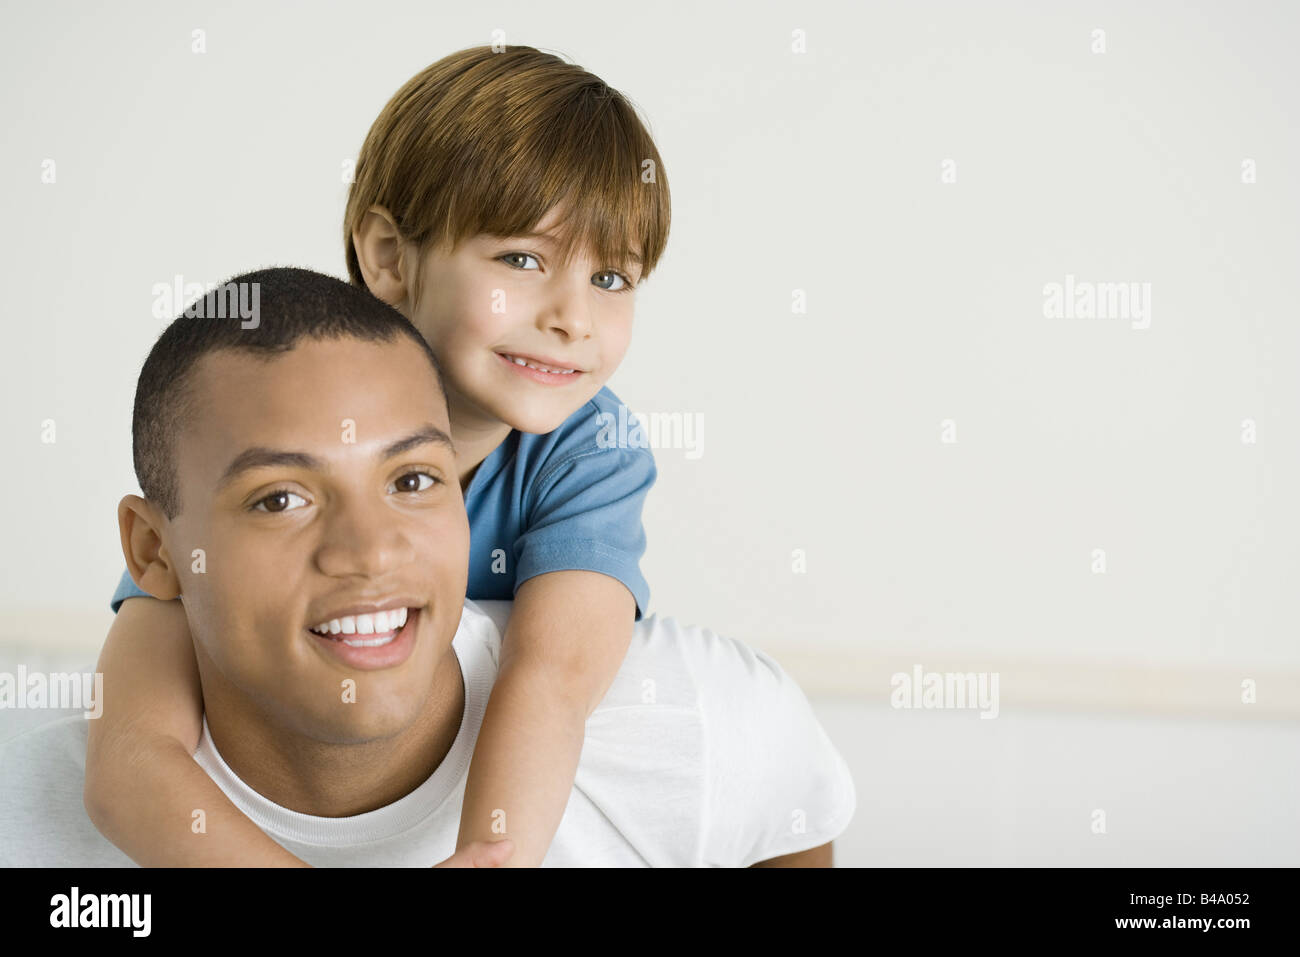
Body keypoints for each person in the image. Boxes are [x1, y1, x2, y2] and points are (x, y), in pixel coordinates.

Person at [0, 270, 855, 866]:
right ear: (154, 549)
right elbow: (128, 763)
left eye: (413, 479)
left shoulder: (701, 717)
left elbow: (560, 684)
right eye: (280, 498)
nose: (369, 553)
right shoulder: (28, 817)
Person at [86, 44, 674, 866]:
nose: (574, 318)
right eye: (523, 260)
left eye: (612, 279)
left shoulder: (589, 453)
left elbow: (553, 680)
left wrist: (489, 855)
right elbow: (129, 761)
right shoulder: (253, 434)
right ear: (392, 259)